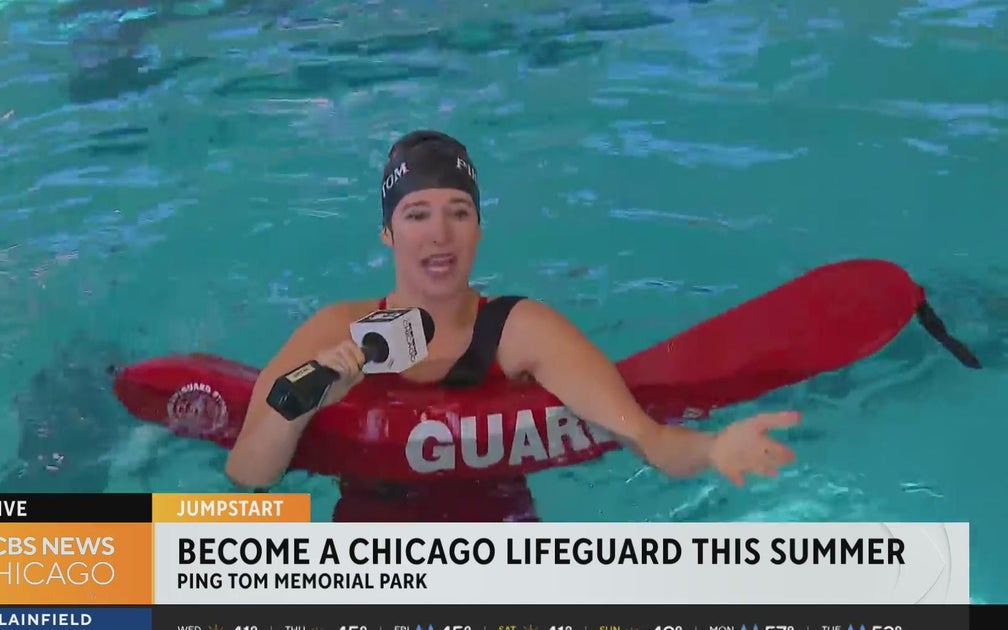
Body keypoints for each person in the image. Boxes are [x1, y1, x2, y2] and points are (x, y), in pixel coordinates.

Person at [224, 129, 800, 521]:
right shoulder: (337, 330)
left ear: (478, 230)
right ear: (388, 234)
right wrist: (312, 390)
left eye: (459, 213)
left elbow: (647, 437)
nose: (439, 234)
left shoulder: (521, 332)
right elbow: (249, 475)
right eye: (416, 215)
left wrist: (713, 449)